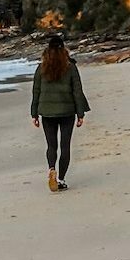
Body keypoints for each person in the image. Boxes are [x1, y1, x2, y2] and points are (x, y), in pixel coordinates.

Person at [29, 34, 89, 192]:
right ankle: (61, 179)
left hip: (47, 112)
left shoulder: (41, 68)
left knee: (51, 146)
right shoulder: (70, 67)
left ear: (48, 50)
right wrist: (80, 113)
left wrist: (34, 114)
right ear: (64, 50)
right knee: (65, 146)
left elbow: (36, 92)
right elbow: (77, 91)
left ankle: (51, 169)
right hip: (67, 112)